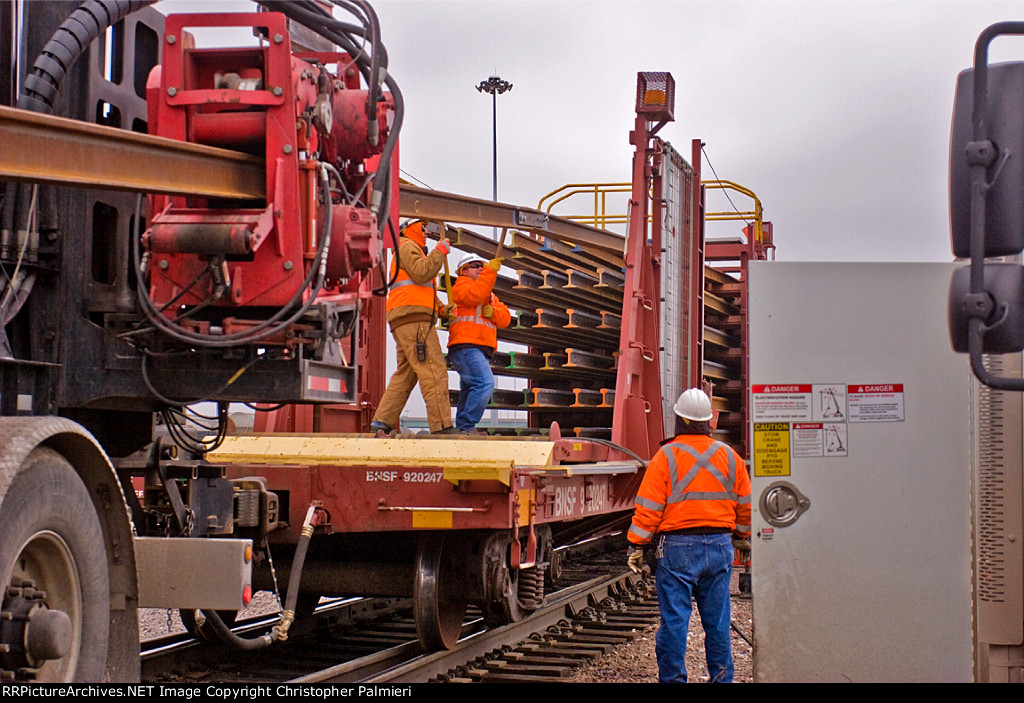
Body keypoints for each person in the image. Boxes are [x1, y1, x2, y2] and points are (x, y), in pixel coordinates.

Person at [626, 388, 751, 683]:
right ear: (710, 421)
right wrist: (742, 536)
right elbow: (745, 504)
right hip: (720, 546)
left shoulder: (665, 456)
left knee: (674, 623)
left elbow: (649, 507)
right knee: (718, 623)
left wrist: (637, 544)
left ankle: (673, 680)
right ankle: (721, 678)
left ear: (679, 419)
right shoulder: (730, 457)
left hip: (678, 549)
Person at [370, 220, 459, 435]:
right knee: (434, 371)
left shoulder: (407, 249)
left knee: (406, 374)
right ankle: (442, 426)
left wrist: (441, 309)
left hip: (407, 319)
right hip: (415, 321)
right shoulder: (407, 246)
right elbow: (422, 272)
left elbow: (422, 288)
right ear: (409, 228)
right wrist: (439, 251)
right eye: (423, 228)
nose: (426, 232)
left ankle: (381, 422)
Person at [447, 253, 510, 432]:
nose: (481, 268)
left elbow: (505, 318)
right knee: (485, 383)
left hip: (476, 348)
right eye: (475, 265)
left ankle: (462, 429)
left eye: (482, 266)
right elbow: (474, 296)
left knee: (468, 391)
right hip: (466, 346)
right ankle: (467, 425)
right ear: (463, 271)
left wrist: (494, 314)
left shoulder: (489, 294)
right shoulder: (461, 287)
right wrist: (490, 272)